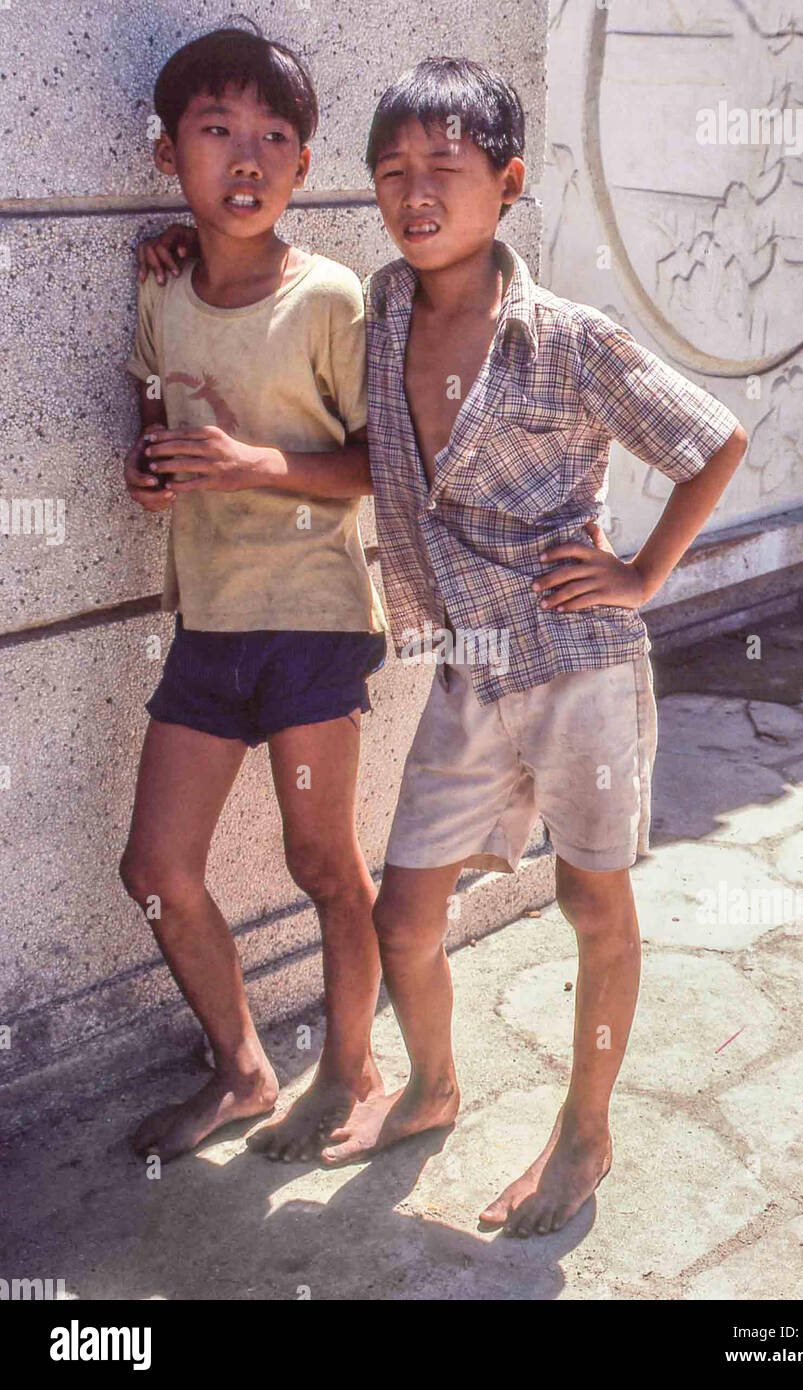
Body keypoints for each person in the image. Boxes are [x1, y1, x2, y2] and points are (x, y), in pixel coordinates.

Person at [138, 56, 748, 1236]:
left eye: (445, 171)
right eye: (393, 172)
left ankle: (585, 1130)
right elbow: (261, 278)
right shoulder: (380, 307)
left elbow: (711, 441)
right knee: (405, 918)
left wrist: (642, 573)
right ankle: (430, 1084)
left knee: (592, 902)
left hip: (580, 665)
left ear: (507, 182)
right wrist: (174, 236)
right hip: (469, 672)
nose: (416, 192)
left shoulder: (566, 336)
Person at [119, 24, 388, 1164]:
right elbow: (148, 429)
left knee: (321, 862)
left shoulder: (332, 300)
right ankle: (242, 1071)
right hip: (209, 624)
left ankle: (360, 1070)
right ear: (168, 150)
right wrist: (146, 472)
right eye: (215, 129)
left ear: (304, 167)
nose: (244, 156)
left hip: (316, 624)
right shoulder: (162, 291)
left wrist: (257, 465)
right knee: (155, 870)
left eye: (273, 136)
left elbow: (385, 466)